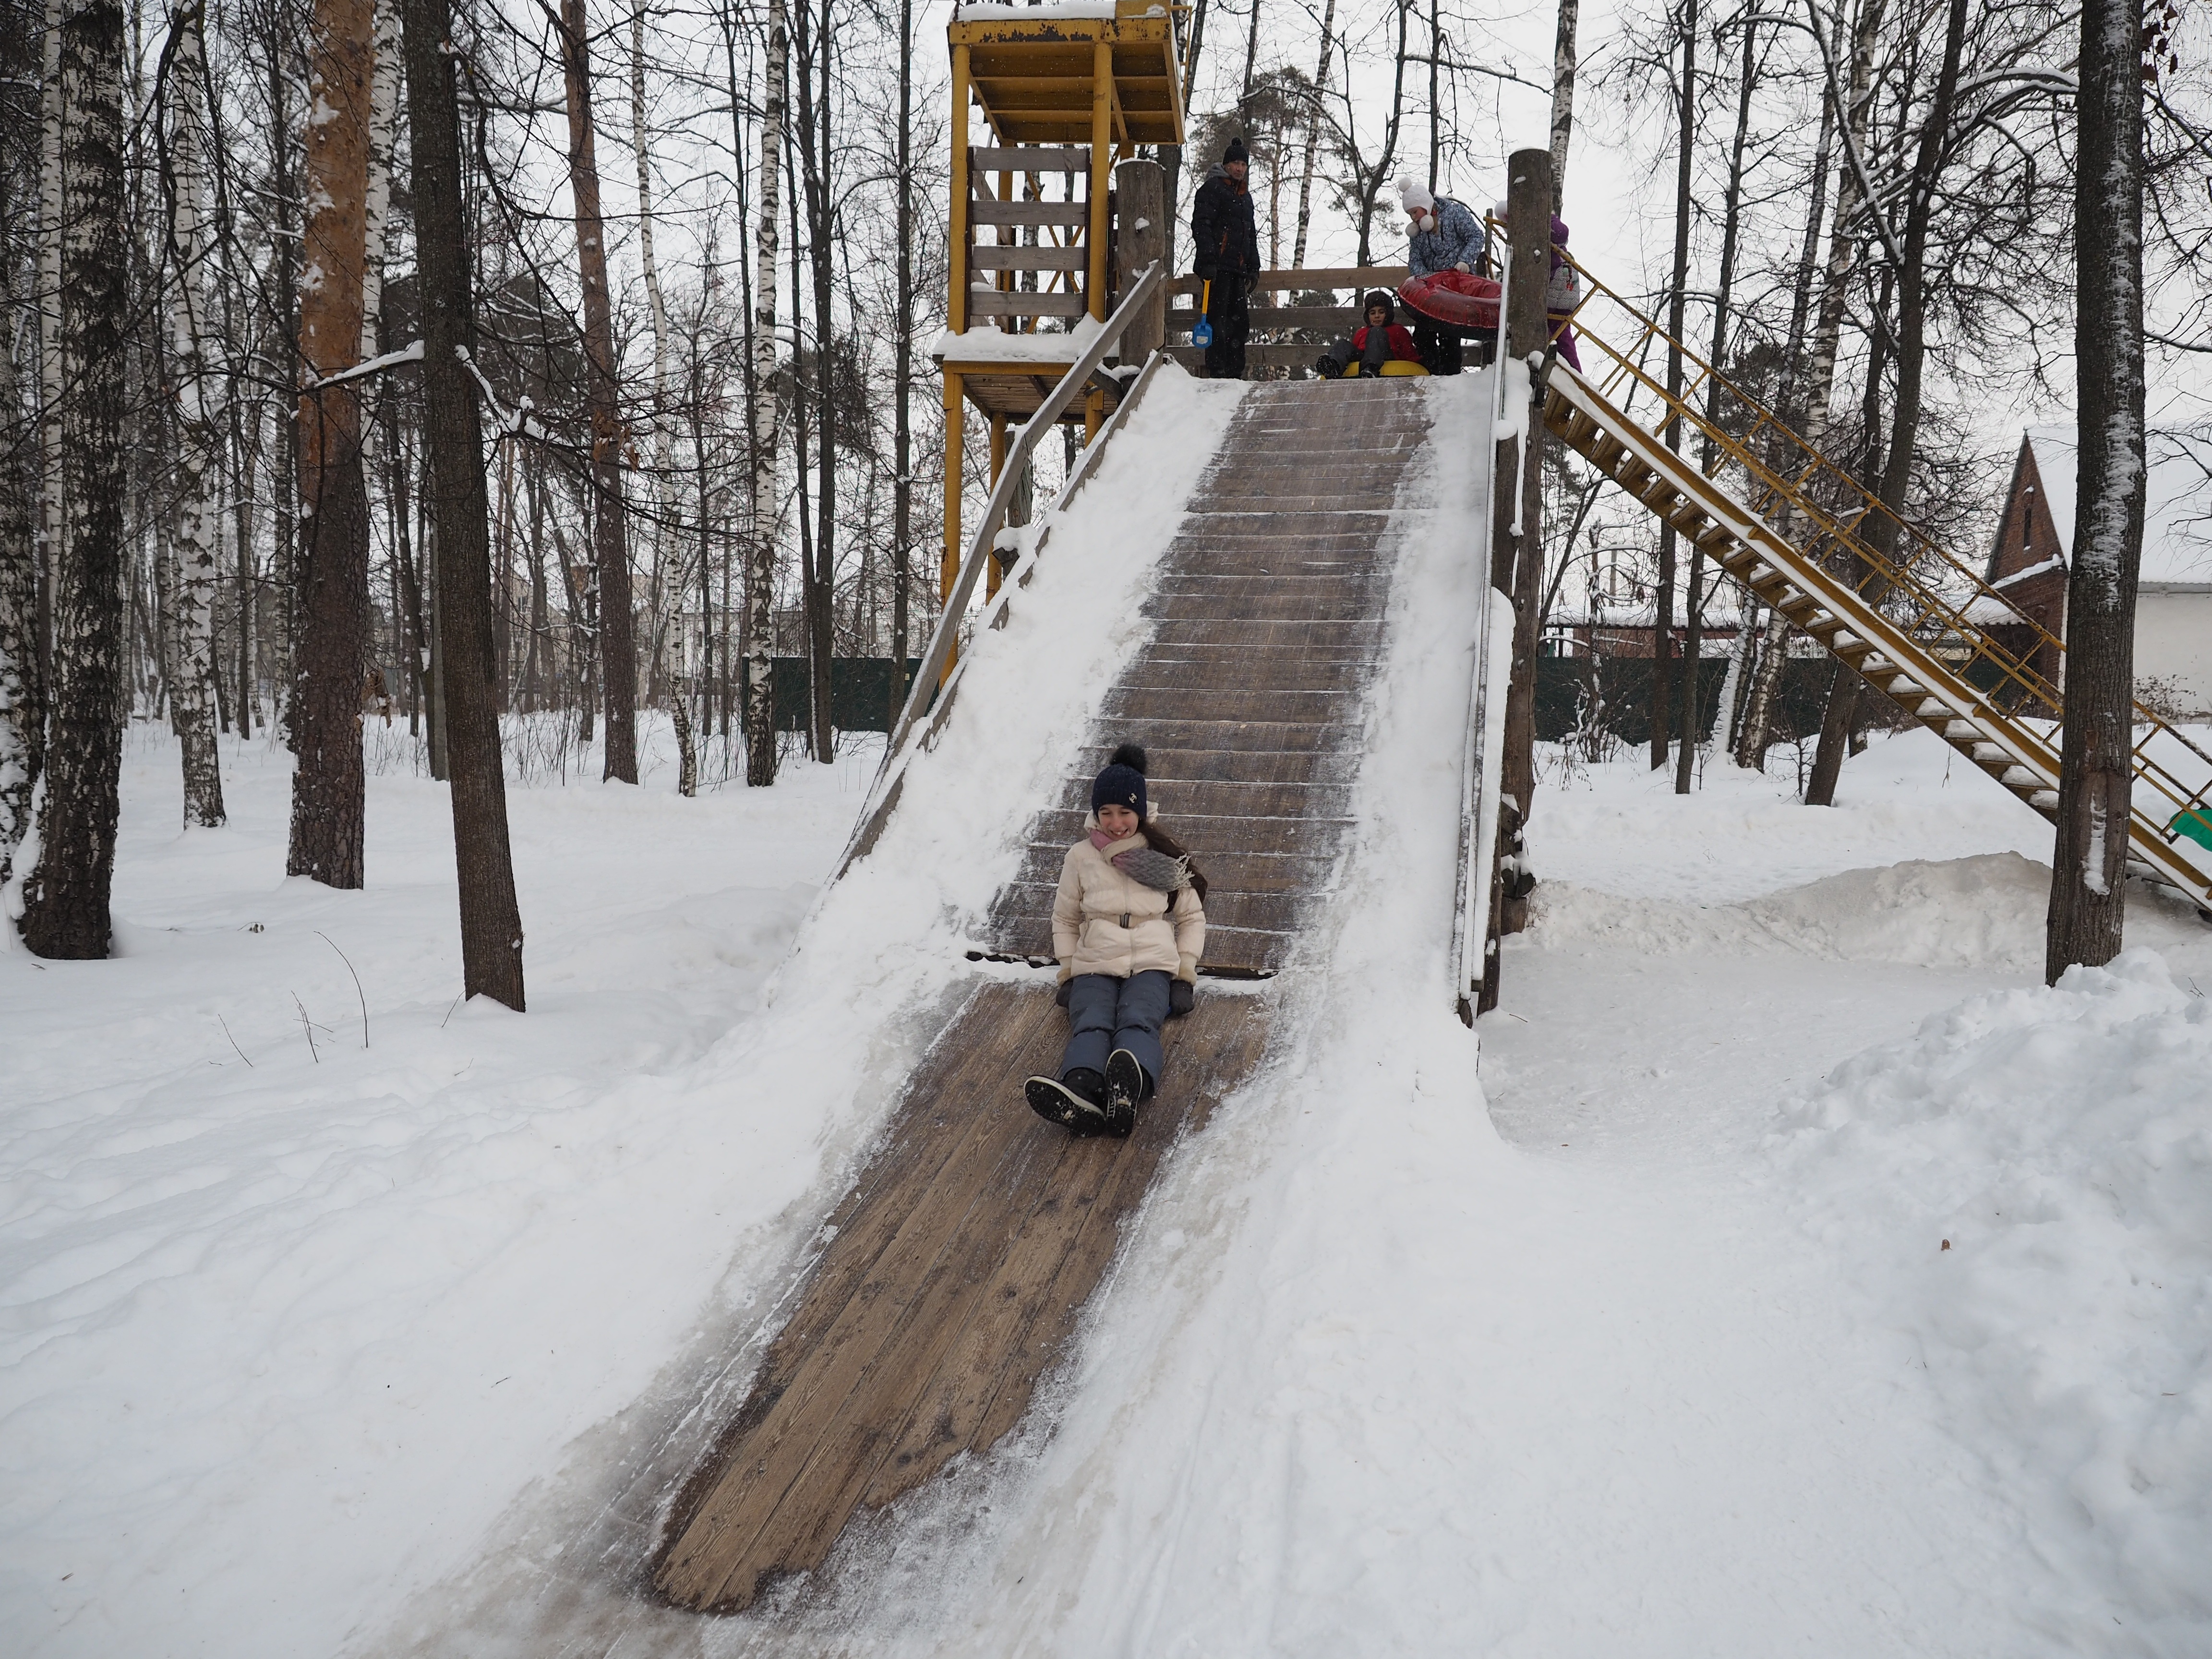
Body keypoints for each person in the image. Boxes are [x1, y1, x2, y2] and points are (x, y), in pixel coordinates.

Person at [1025, 744, 1207, 1138]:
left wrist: (1185, 972)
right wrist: (1070, 969)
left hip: (1153, 960)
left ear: (1139, 812)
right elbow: (1066, 917)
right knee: (1091, 1022)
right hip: (1096, 959)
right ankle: (1081, 1092)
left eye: (1125, 812)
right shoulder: (1080, 857)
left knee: (1138, 1020)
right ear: (1096, 813)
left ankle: (1128, 1086)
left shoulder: (1163, 854)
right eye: (1106, 812)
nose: (1116, 822)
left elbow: (1191, 916)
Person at [1396, 176, 1486, 374]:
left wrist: (1465, 261)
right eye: (1410, 214)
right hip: (1430, 290)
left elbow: (1476, 236)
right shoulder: (1417, 233)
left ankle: (1450, 377)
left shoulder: (1454, 213)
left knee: (1449, 334)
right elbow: (1415, 259)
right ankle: (1430, 374)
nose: (1413, 218)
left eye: (1414, 212)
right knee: (1422, 335)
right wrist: (1422, 279)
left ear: (1425, 205)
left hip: (1455, 285)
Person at [1190, 137, 1261, 380]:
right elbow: (1202, 225)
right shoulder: (1213, 189)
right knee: (1217, 321)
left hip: (1238, 270)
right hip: (1217, 268)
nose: (1239, 168)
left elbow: (1250, 233)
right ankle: (1217, 370)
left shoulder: (1245, 197)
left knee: (1240, 323)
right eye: (1235, 163)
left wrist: (1254, 266)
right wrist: (1209, 259)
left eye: (1243, 164)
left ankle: (1235, 372)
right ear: (1226, 165)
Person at [1348, 289, 1420, 375]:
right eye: (1373, 313)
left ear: (1388, 314)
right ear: (1368, 315)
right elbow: (1353, 352)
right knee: (1343, 345)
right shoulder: (1361, 332)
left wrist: (1423, 363)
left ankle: (1371, 368)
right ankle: (1331, 367)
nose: (1377, 316)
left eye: (1381, 312)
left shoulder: (1398, 330)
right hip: (1363, 358)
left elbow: (1410, 355)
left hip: (1386, 357)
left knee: (1377, 331)